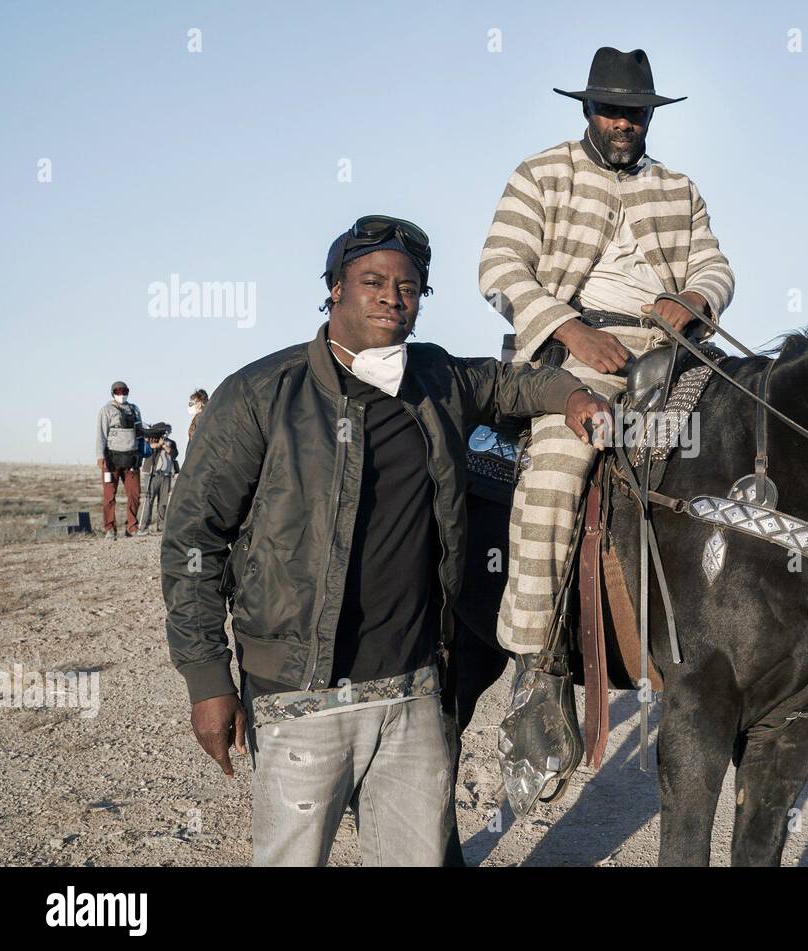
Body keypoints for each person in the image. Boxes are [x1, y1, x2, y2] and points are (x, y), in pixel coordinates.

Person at [161, 216, 609, 867]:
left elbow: (513, 383)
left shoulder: (435, 381)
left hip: (413, 694)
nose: (391, 297)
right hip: (297, 694)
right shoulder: (262, 396)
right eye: (372, 281)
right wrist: (207, 678)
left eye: (409, 287)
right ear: (334, 290)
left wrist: (571, 395)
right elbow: (193, 542)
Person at [480, 47, 735, 655]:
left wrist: (697, 297)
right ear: (590, 109)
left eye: (637, 114)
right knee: (558, 470)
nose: (625, 123)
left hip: (675, 354)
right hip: (577, 353)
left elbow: (715, 264)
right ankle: (533, 661)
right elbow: (499, 267)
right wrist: (571, 331)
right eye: (612, 111)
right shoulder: (542, 173)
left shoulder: (679, 188)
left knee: (753, 434)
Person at [95, 381, 144, 540]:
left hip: (131, 459)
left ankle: (132, 527)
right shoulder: (106, 410)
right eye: (118, 391)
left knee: (135, 494)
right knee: (109, 496)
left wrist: (141, 453)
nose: (122, 394)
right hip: (112, 460)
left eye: (124, 391)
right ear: (113, 393)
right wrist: (100, 456)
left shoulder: (135, 410)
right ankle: (110, 529)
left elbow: (140, 433)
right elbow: (101, 434)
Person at [137, 426, 179, 535]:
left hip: (166, 475)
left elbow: (175, 454)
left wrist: (165, 446)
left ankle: (161, 526)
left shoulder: (171, 442)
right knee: (148, 501)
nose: (166, 434)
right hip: (152, 474)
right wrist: (157, 445)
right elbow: (146, 449)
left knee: (163, 502)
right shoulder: (150, 439)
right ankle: (144, 527)